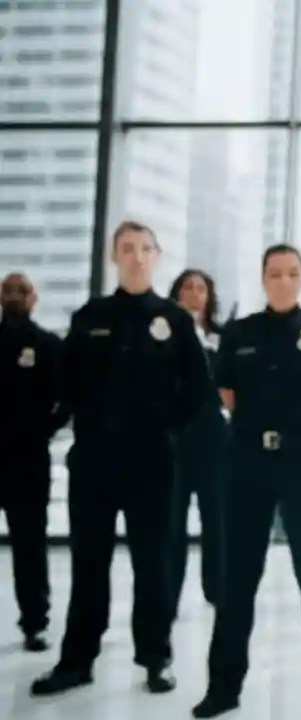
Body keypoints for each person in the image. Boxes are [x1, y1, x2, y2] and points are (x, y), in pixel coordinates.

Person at [31, 221, 210, 697]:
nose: (135, 257)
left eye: (144, 249)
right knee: (89, 561)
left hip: (152, 461)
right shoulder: (91, 316)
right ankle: (77, 660)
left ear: (156, 256)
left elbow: (198, 389)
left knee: (154, 562)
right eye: (126, 249)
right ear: (114, 257)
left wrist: (166, 424)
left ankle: (156, 658)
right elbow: (64, 383)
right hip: (94, 460)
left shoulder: (173, 320)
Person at [193, 244, 301, 718]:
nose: (283, 280)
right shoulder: (241, 332)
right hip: (248, 466)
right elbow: (226, 391)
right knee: (237, 579)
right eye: (274, 273)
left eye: (291, 272)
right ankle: (223, 689)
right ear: (263, 278)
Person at [0, 273, 66, 652]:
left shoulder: (47, 345)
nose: (13, 297)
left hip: (28, 459)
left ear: (33, 298)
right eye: (7, 290)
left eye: (20, 291)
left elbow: (67, 398)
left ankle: (35, 623)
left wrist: (44, 430)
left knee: (29, 544)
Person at [167, 269, 227, 612]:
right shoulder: (166, 335)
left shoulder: (220, 337)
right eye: (187, 287)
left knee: (215, 516)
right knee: (173, 519)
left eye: (200, 288)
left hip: (213, 437)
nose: (193, 293)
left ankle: (216, 589)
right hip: (177, 436)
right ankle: (170, 592)